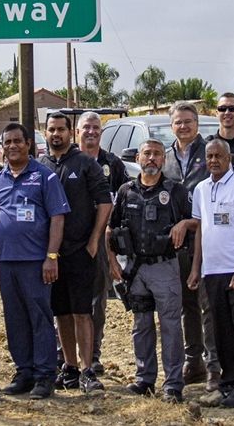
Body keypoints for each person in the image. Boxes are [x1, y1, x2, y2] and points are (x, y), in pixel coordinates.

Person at [0, 123, 70, 400]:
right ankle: (24, 372)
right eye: (7, 142)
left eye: (17, 141)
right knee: (15, 319)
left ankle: (45, 375)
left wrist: (51, 256)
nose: (12, 146)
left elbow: (58, 217)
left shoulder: (45, 177)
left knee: (40, 318)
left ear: (28, 144)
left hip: (37, 262)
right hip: (8, 262)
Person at [107, 138, 195, 403]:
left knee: (170, 326)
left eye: (157, 154)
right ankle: (144, 379)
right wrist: (112, 262)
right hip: (134, 270)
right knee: (141, 326)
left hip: (165, 267)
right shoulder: (126, 191)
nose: (152, 158)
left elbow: (196, 223)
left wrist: (185, 225)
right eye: (147, 154)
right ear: (138, 159)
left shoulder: (176, 191)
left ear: (164, 159)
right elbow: (110, 228)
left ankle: (172, 384)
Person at [40, 112, 112, 394]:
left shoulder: (85, 163)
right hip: (52, 254)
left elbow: (105, 203)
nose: (56, 134)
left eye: (61, 129)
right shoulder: (41, 165)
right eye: (51, 129)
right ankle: (69, 367)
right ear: (45, 133)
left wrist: (94, 240)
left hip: (81, 251)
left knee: (83, 312)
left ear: (71, 132)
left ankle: (87, 370)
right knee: (62, 313)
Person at [187, 140, 234, 409]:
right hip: (212, 271)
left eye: (219, 155)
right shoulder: (201, 189)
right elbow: (201, 230)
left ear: (229, 158)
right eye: (209, 156)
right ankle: (228, 383)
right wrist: (196, 268)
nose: (214, 160)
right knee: (221, 332)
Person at [162, 102, 217, 389]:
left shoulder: (209, 151)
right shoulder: (165, 156)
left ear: (197, 124)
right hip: (177, 244)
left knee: (208, 303)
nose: (183, 126)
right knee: (186, 304)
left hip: (207, 239)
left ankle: (213, 364)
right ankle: (192, 361)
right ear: (171, 125)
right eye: (178, 122)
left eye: (188, 121)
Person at [75, 111, 127, 375]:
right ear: (78, 132)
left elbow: (124, 201)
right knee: (67, 301)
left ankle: (93, 355)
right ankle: (67, 357)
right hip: (70, 243)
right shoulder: (67, 161)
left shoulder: (113, 164)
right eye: (87, 127)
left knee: (97, 302)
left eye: (96, 127)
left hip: (101, 243)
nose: (91, 132)